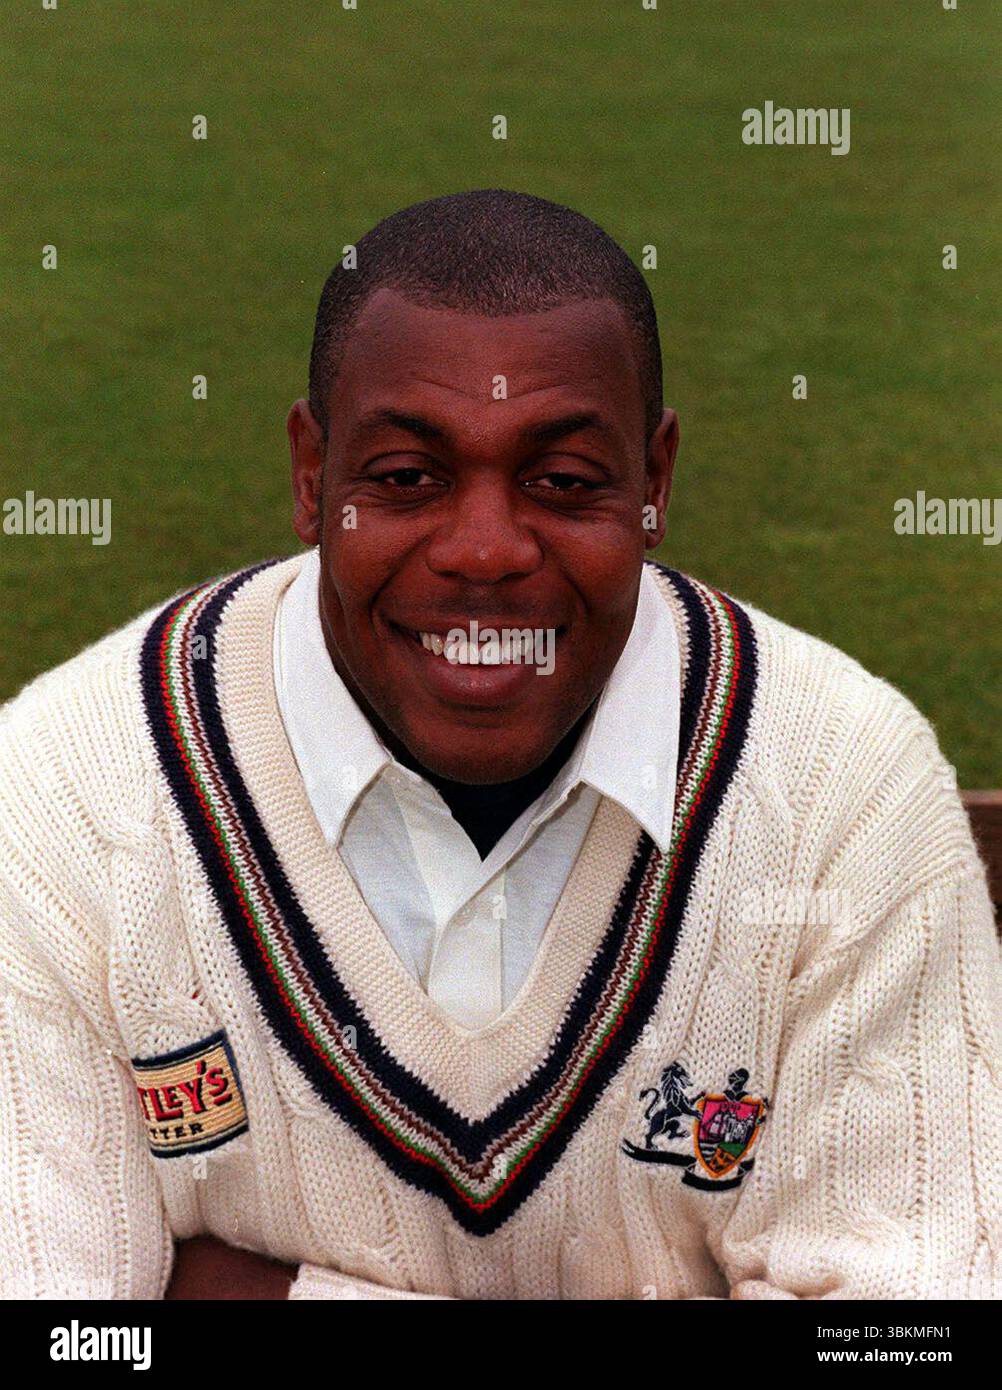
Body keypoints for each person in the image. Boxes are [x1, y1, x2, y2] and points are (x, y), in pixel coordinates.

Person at [1, 190, 999, 1301]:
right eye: (406, 480)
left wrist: (268, 1294)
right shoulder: (60, 788)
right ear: (307, 474)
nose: (485, 551)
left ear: (655, 482)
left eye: (563, 483)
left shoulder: (846, 788)